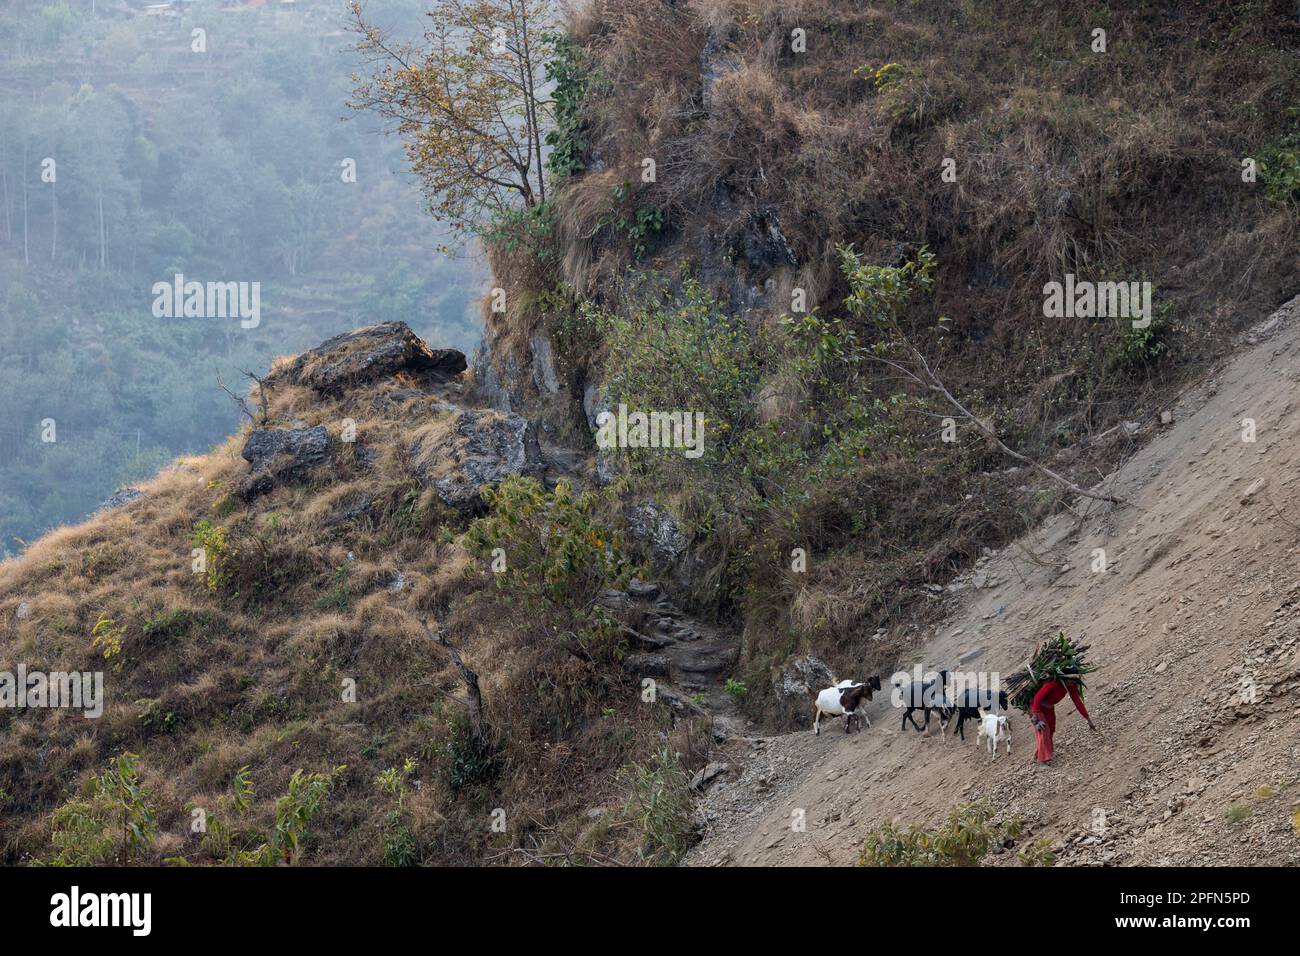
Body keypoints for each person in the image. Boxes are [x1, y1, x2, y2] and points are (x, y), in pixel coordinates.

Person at [1029, 677, 1097, 764]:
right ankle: (1043, 760)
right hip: (1037, 708)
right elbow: (1037, 698)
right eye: (1071, 680)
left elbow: (1077, 702)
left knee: (1051, 730)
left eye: (1074, 681)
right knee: (1043, 729)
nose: (1073, 683)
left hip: (1049, 708)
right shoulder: (1052, 684)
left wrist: (1088, 720)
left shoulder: (1071, 686)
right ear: (1065, 678)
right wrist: (1035, 714)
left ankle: (1037, 756)